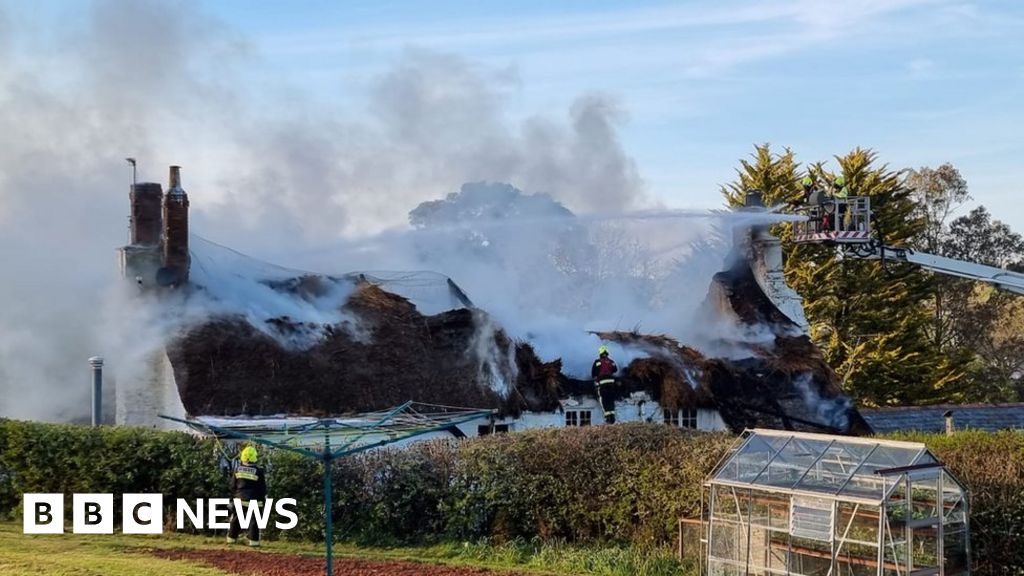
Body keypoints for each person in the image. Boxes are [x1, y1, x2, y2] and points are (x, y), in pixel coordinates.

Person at [227, 445, 267, 547]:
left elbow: (232, 485)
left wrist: (233, 497)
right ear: (254, 458)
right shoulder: (259, 471)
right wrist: (263, 500)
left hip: (240, 499)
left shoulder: (237, 469)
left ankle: (231, 539)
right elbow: (262, 488)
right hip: (254, 500)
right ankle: (253, 542)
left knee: (236, 519)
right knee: (254, 520)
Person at [591, 345, 618, 424]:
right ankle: (612, 416)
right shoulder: (611, 361)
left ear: (600, 353)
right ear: (607, 353)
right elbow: (615, 369)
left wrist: (596, 379)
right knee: (610, 400)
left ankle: (607, 417)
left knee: (603, 400)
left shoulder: (597, 362)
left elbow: (593, 373)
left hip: (603, 384)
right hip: (611, 384)